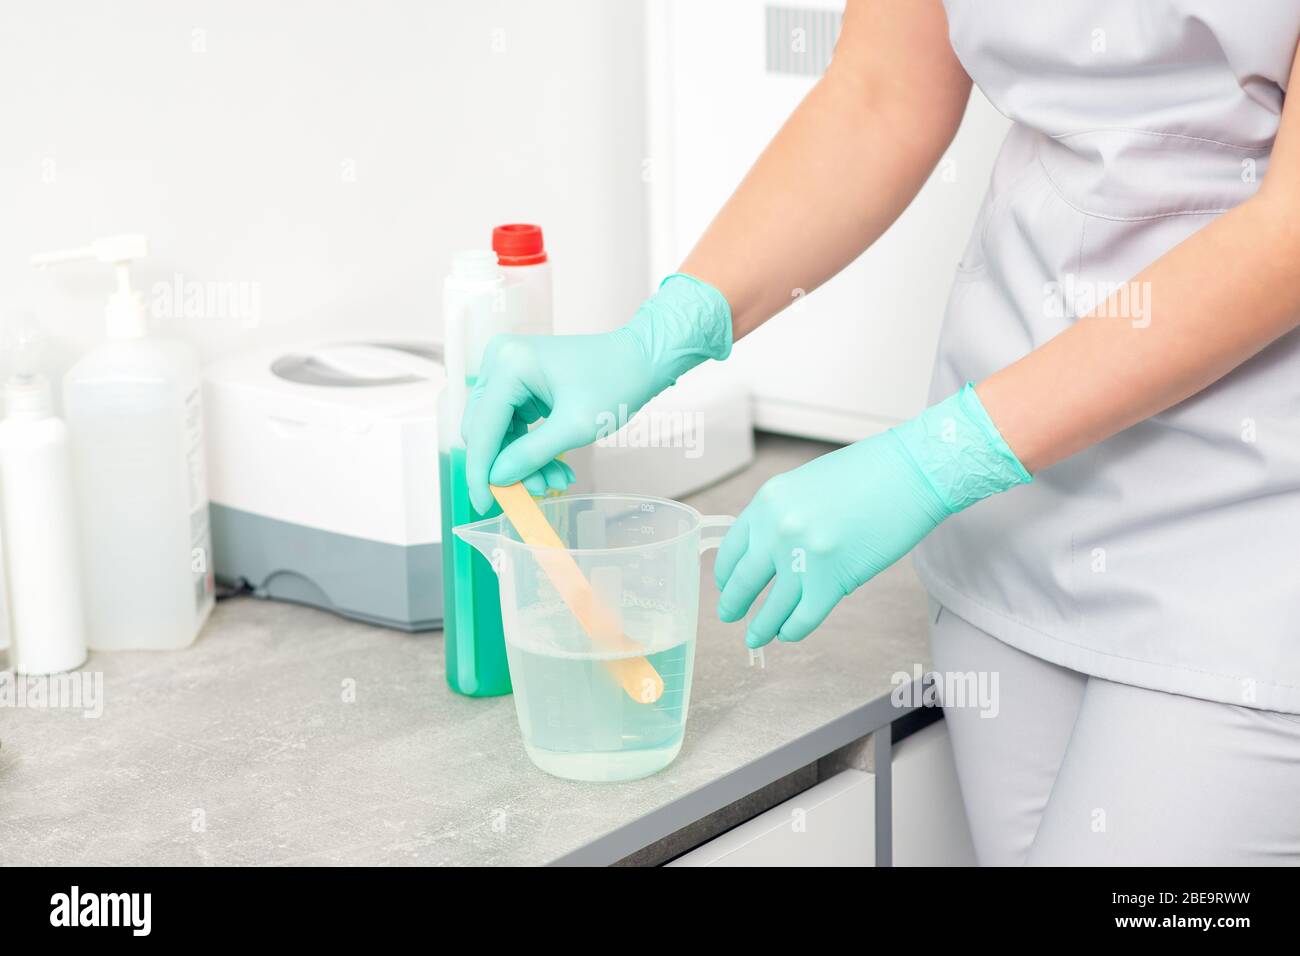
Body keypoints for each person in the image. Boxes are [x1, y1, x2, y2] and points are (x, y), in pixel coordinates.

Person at [461, 0, 1300, 865]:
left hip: (1248, 526)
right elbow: (881, 92)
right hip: (1011, 518)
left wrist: (936, 459)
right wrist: (663, 331)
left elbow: (1290, 234)